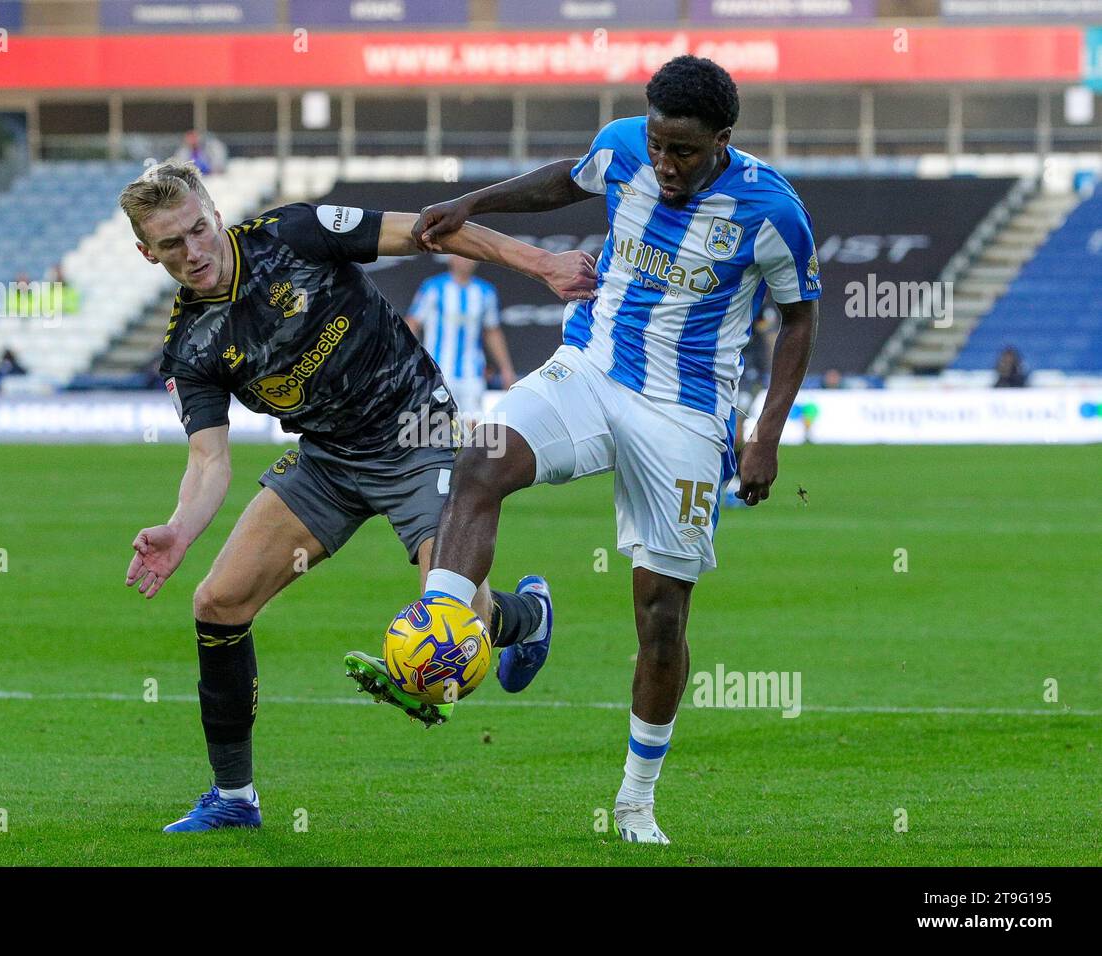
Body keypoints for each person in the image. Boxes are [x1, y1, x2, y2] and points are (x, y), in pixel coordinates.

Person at [367, 55, 820, 846]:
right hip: (591, 366)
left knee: (660, 618)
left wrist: (765, 435)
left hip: (687, 414)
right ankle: (441, 641)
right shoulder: (625, 147)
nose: (665, 163)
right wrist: (475, 199)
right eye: (657, 144)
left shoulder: (771, 210)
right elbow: (563, 180)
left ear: (723, 140)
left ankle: (636, 800)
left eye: (684, 150)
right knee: (479, 463)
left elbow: (799, 319)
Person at [117, 161, 595, 832]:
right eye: (171, 245)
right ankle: (233, 798)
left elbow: (432, 233)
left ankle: (523, 617)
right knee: (217, 603)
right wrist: (178, 530)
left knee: (453, 625)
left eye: (198, 229)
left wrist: (539, 264)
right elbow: (208, 461)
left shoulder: (294, 233)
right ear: (148, 251)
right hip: (328, 462)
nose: (192, 252)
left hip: (415, 430)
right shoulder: (191, 346)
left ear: (215, 212)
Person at [406, 255, 516, 427]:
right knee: (435, 424)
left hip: (472, 372)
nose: (465, 261)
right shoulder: (433, 287)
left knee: (472, 426)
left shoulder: (485, 292)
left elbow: (492, 331)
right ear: (450, 258)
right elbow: (413, 323)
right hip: (437, 370)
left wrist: (506, 369)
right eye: (460, 256)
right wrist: (410, 361)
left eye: (469, 257)